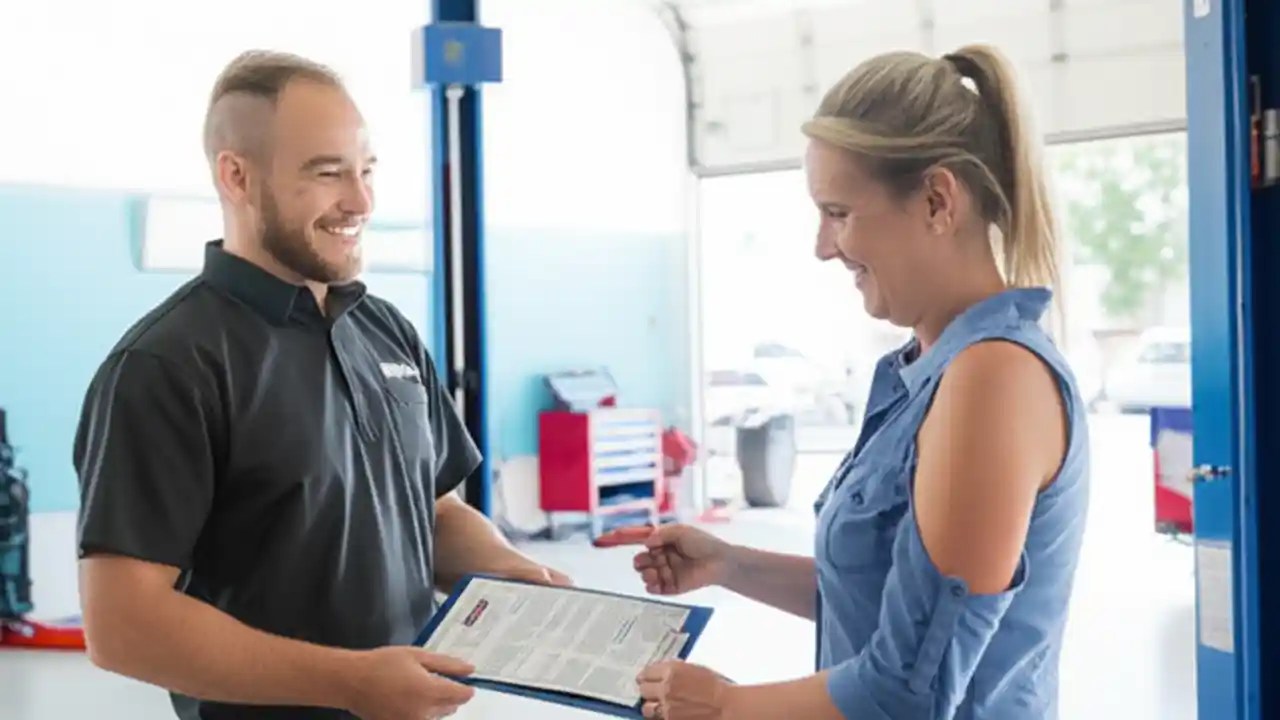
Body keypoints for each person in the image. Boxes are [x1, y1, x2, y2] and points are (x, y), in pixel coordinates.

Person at [72, 50, 569, 720]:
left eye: (366, 171)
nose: (361, 200)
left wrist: (513, 575)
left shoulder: (384, 330)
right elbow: (123, 625)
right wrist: (350, 683)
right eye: (328, 173)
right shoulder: (167, 365)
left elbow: (434, 513)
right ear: (237, 176)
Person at [602, 44, 1090, 720]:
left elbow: (909, 693)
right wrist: (730, 565)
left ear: (937, 200)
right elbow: (894, 604)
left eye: (839, 213)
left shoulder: (994, 378)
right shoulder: (924, 373)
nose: (823, 246)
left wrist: (724, 707)